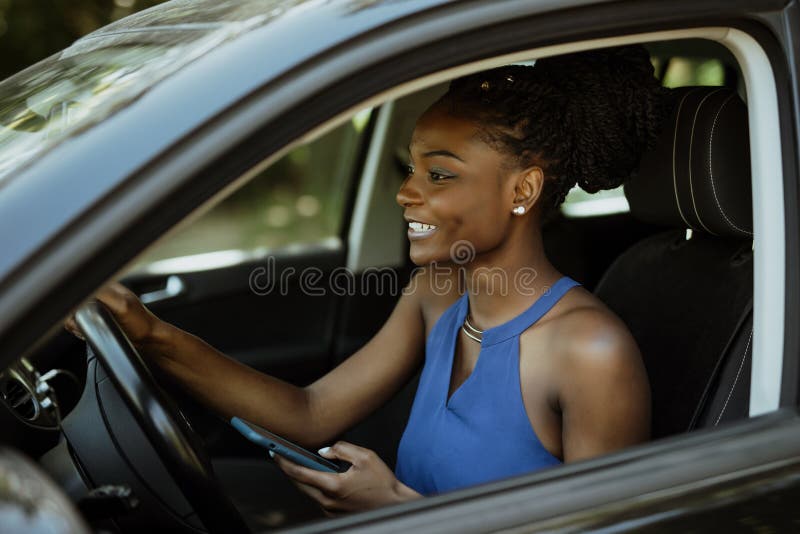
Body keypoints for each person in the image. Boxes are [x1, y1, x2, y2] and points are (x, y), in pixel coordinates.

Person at [65, 45, 664, 516]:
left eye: (439, 174)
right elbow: (309, 412)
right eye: (411, 168)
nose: (407, 192)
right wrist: (150, 335)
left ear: (522, 191)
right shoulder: (439, 295)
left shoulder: (590, 352)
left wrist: (397, 507)